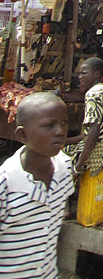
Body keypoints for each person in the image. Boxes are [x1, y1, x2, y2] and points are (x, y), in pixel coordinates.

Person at [0, 93, 74, 278]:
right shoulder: (6, 184)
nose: (60, 131)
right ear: (22, 135)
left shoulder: (63, 168)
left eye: (63, 123)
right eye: (49, 125)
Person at [64, 57, 103, 178]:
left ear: (96, 74)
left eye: (84, 73)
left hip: (95, 158)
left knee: (59, 159)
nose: (80, 77)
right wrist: (65, 141)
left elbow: (94, 132)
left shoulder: (93, 94)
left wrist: (78, 167)